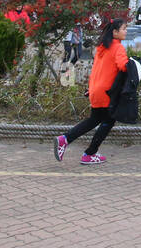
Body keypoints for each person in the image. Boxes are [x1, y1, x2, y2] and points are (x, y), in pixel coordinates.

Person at [55, 17, 130, 165]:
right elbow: (123, 66)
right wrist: (134, 65)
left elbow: (96, 70)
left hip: (96, 89)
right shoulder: (118, 47)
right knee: (108, 121)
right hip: (107, 92)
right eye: (124, 29)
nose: (126, 31)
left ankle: (67, 140)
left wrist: (91, 88)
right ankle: (88, 153)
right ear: (115, 32)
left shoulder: (102, 48)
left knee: (94, 119)